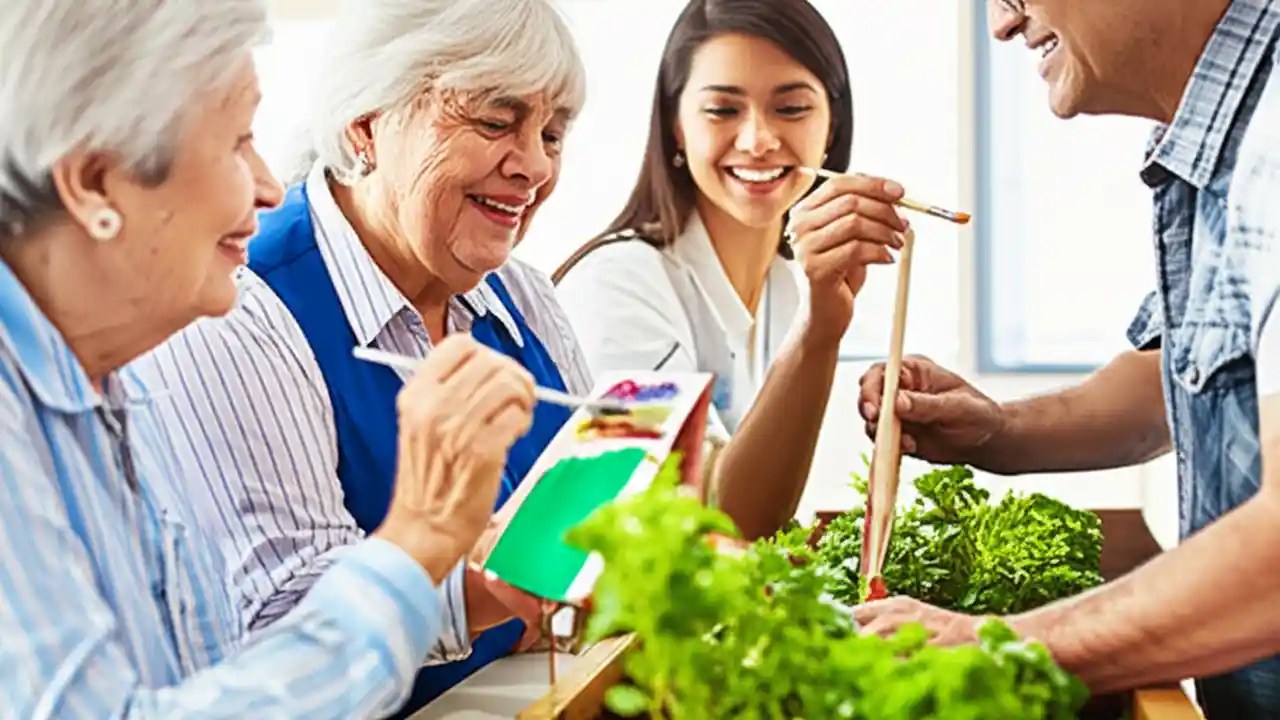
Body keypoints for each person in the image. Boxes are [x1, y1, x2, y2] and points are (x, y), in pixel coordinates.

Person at [0, 1, 539, 718]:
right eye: (235, 141)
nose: (266, 184)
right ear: (95, 182)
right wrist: (421, 538)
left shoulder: (115, 388)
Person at [851, 1, 1280, 718]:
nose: (1002, 23)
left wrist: (997, 643)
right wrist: (996, 429)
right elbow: (1182, 378)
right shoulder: (1223, 133)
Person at [553, 0, 911, 538]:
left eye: (791, 110)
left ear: (832, 127)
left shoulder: (788, 288)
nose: (758, 141)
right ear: (675, 126)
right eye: (723, 111)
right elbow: (707, 533)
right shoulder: (617, 288)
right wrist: (819, 334)